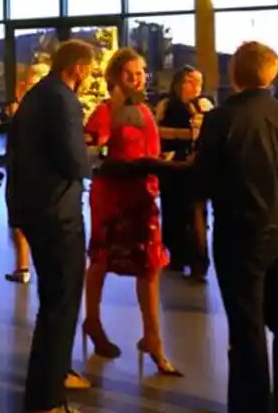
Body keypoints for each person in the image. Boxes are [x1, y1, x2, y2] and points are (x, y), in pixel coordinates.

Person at [193, 42, 278, 413]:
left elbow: (203, 180)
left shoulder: (222, 120)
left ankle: (251, 406)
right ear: (272, 73)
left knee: (247, 327)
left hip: (239, 233)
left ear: (233, 74)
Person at [7, 40, 96, 413]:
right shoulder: (63, 100)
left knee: (53, 302)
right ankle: (46, 398)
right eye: (89, 69)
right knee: (61, 303)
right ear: (77, 67)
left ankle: (55, 373)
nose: (89, 77)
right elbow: (75, 162)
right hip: (57, 213)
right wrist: (92, 154)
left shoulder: (37, 96)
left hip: (32, 207)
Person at [82, 48, 180, 376]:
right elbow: (95, 147)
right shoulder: (106, 110)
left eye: (140, 73)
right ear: (115, 77)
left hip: (143, 193)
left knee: (150, 263)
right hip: (113, 195)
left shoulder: (145, 111)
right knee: (102, 258)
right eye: (130, 74)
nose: (137, 79)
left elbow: (150, 148)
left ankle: (152, 336)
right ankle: (93, 320)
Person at [155, 65, 214, 282]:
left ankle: (198, 264)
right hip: (170, 164)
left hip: (194, 166)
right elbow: (157, 130)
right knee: (171, 212)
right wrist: (184, 134)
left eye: (199, 81)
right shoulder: (166, 104)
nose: (197, 86)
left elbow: (202, 133)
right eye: (192, 81)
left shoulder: (203, 105)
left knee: (196, 216)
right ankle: (176, 257)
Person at [6, 63, 50, 285]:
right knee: (19, 222)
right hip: (20, 172)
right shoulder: (20, 109)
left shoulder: (46, 111)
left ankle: (31, 267)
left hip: (38, 176)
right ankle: (22, 266)